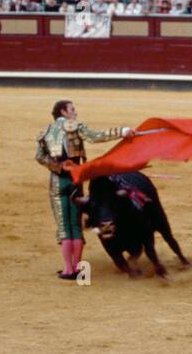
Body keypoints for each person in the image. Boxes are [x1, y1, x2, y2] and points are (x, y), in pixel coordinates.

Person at [35, 101, 132, 280]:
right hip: (75, 180)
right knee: (75, 225)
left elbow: (39, 157)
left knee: (64, 227)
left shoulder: (46, 132)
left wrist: (58, 167)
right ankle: (77, 268)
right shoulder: (74, 127)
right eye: (72, 109)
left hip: (57, 181)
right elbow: (96, 136)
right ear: (63, 112)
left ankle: (68, 269)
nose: (75, 113)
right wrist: (122, 131)